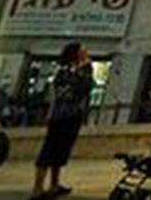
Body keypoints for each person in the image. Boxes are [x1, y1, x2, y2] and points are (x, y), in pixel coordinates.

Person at [30, 42, 94, 200]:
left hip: (71, 115)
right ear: (76, 54)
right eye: (84, 50)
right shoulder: (67, 70)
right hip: (62, 116)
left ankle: (54, 184)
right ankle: (37, 188)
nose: (87, 53)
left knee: (60, 151)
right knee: (49, 150)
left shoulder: (75, 70)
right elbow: (84, 86)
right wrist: (87, 69)